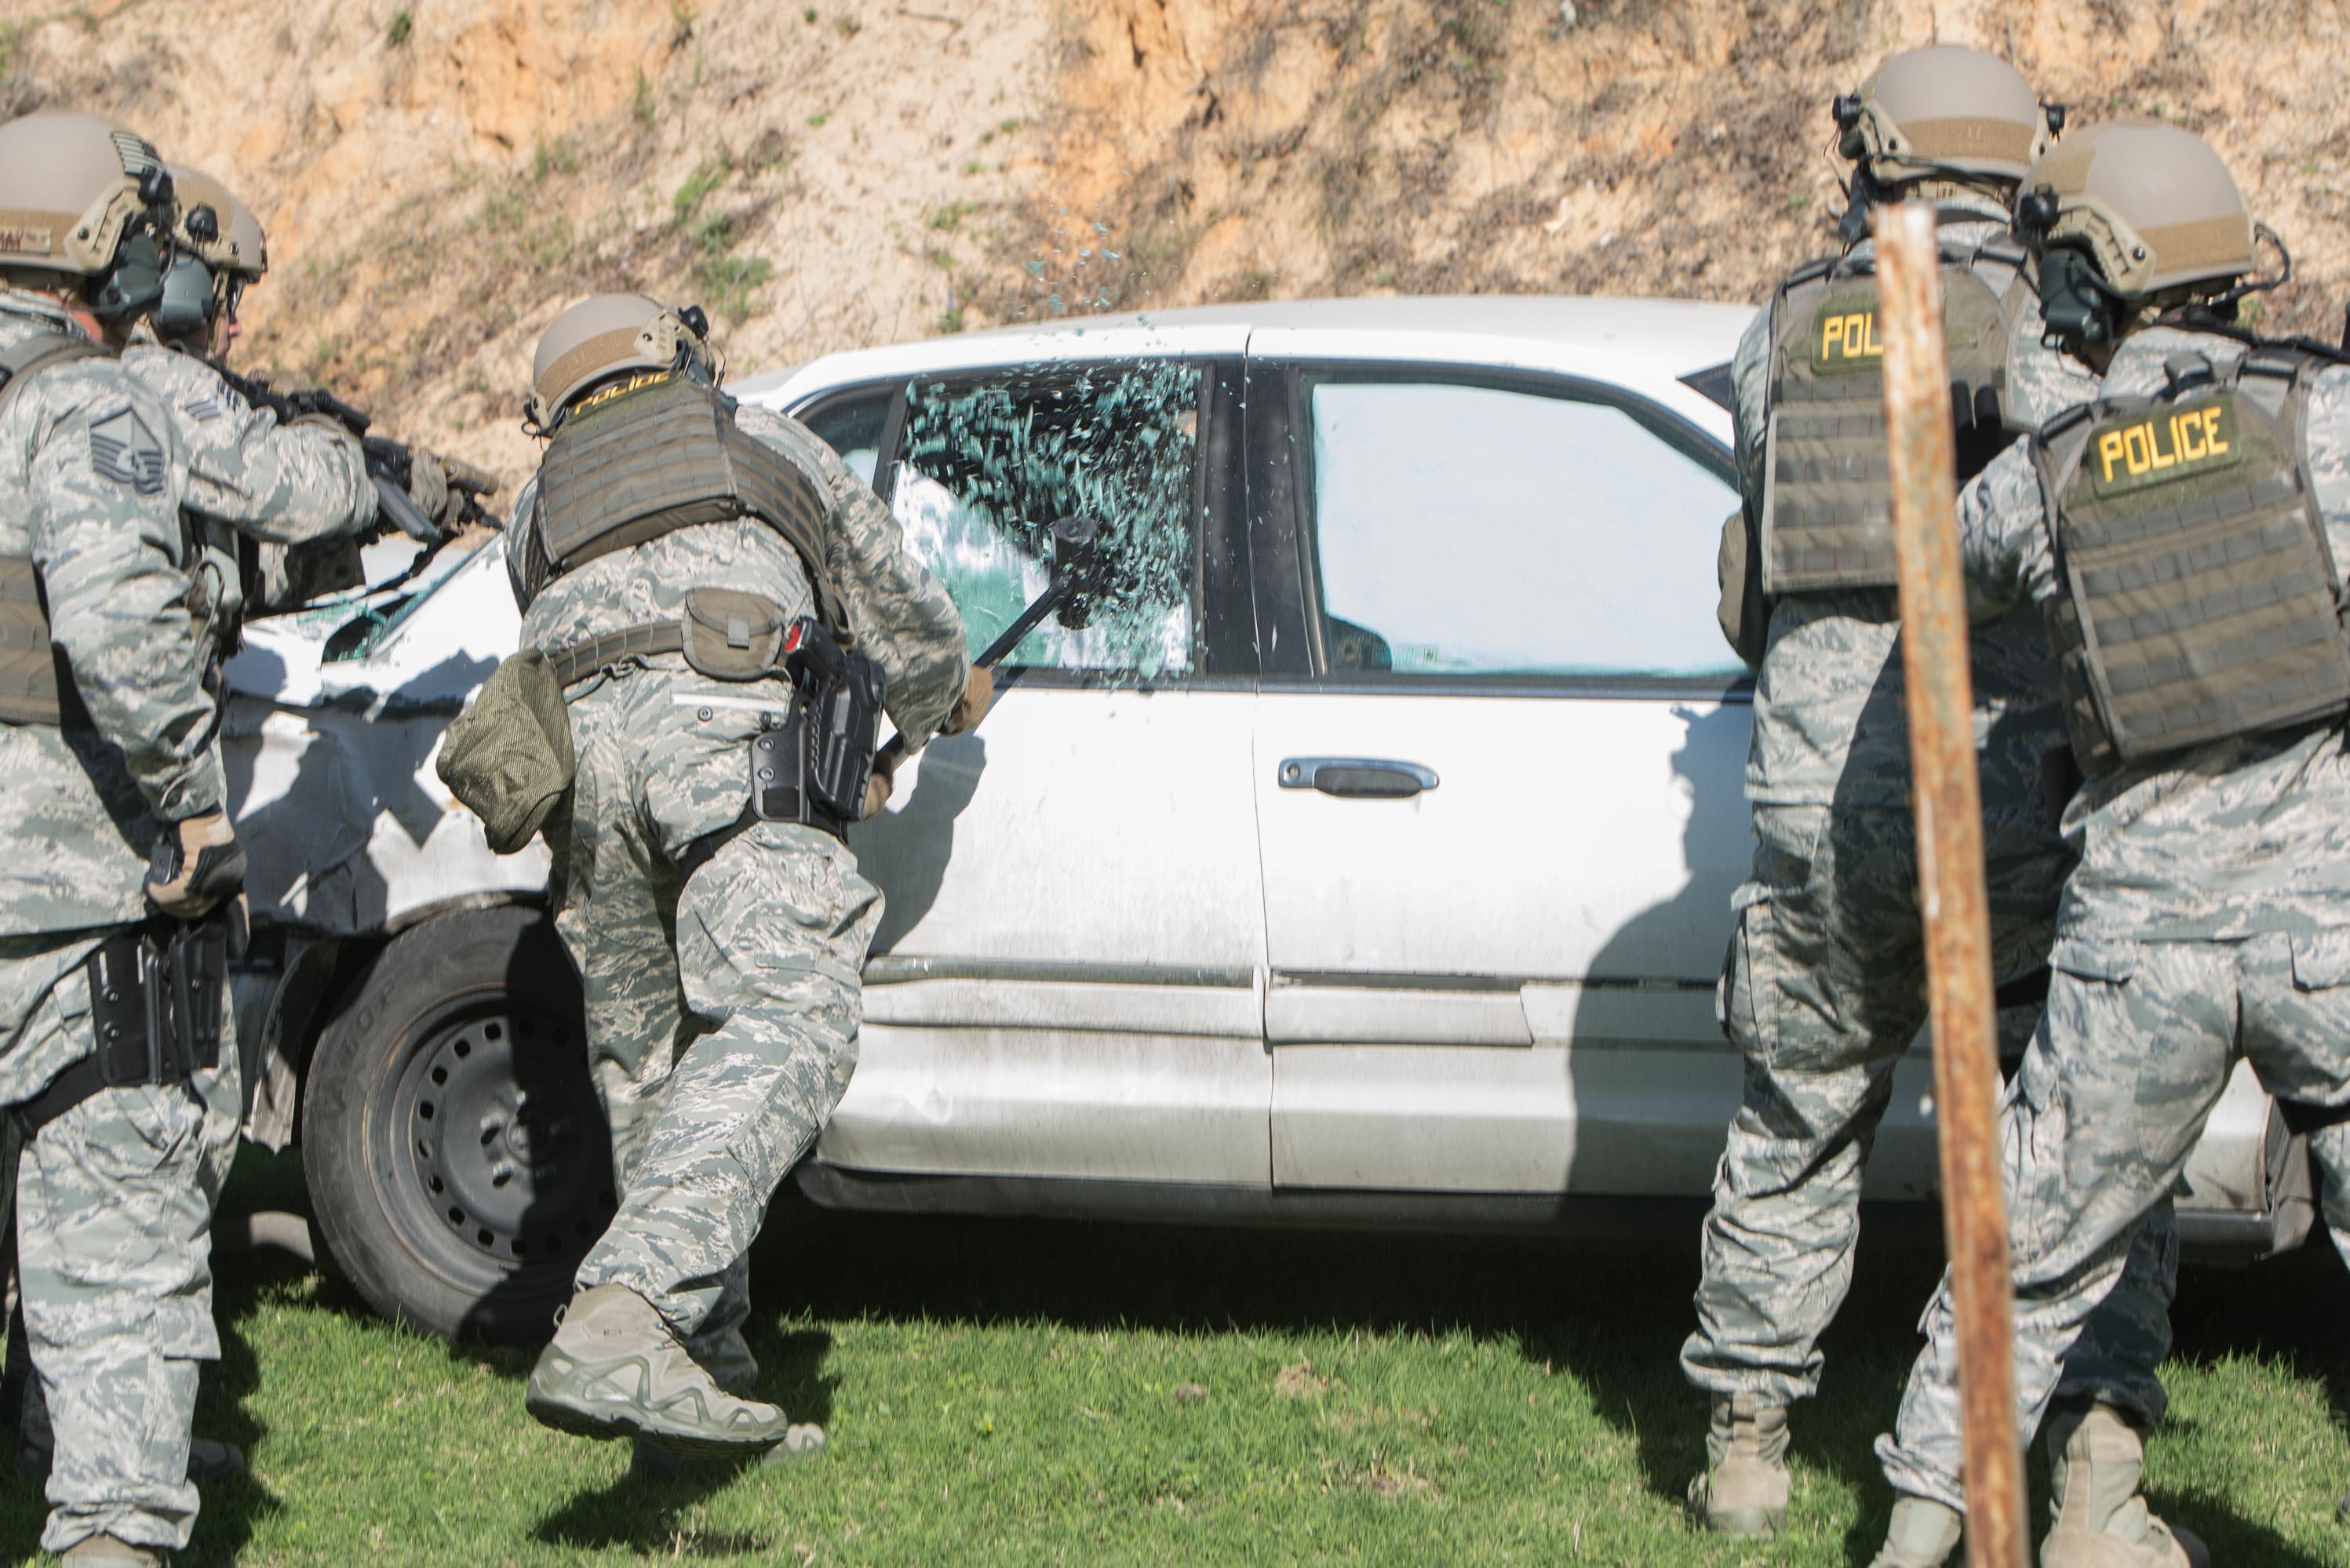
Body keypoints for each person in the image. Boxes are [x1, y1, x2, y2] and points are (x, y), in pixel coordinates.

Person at [1686, 45, 2176, 1538]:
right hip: (2017, 799)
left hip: (1824, 814)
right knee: (2083, 1158)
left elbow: (1746, 588)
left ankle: (1750, 1453)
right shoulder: (2069, 323)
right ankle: (2092, 1474)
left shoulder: (1786, 328)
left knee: (1797, 1124)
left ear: (1879, 158)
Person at [1869, 118, 2348, 1568]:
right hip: (2330, 912)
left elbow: (1943, 564)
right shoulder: (2320, 422)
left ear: (2083, 279)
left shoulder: (2052, 470)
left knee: (2033, 1253)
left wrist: (2051, 379)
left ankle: (1913, 1535)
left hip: (2140, 939)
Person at [482, 295, 983, 1463]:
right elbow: (901, 617)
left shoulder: (535, 507)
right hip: (720, 728)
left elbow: (580, 621)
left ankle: (686, 1386)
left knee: (652, 1063)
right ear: (677, 359)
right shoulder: (756, 436)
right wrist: (942, 700)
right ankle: (631, 1306)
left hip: (581, 771)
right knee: (789, 1014)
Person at [0, 111, 245, 1568]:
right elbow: (123, 633)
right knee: (114, 1262)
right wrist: (199, 811)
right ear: (99, 244)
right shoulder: (84, 408)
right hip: (67, 909)